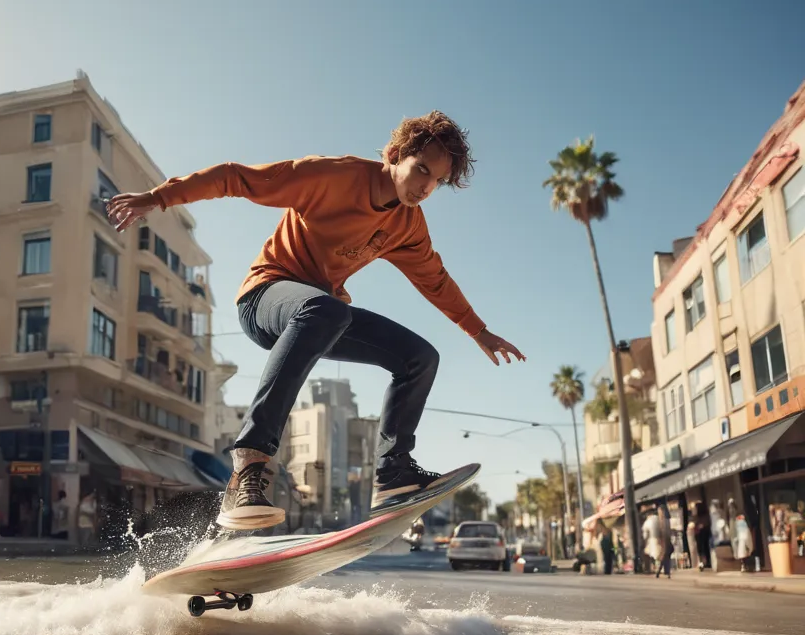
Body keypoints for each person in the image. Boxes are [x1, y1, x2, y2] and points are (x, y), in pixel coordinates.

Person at [108, 112, 525, 532]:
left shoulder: (407, 224)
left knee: (419, 357)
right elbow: (236, 178)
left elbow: (434, 278)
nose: (425, 187)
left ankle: (394, 474)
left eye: (436, 181)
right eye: (421, 170)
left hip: (321, 317)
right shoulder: (332, 176)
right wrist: (158, 198)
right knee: (328, 309)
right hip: (263, 299)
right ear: (395, 155)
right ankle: (249, 462)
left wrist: (478, 330)